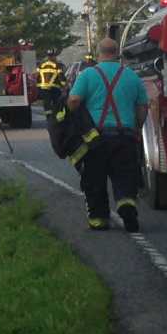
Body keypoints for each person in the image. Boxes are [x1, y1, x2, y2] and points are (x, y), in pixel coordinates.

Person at [68, 37, 148, 232]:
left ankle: (98, 220)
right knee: (125, 176)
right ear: (117, 53)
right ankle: (126, 204)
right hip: (125, 136)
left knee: (94, 179)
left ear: (98, 53)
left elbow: (74, 100)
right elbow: (143, 107)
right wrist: (137, 127)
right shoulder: (131, 76)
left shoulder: (88, 75)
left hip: (95, 139)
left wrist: (77, 119)